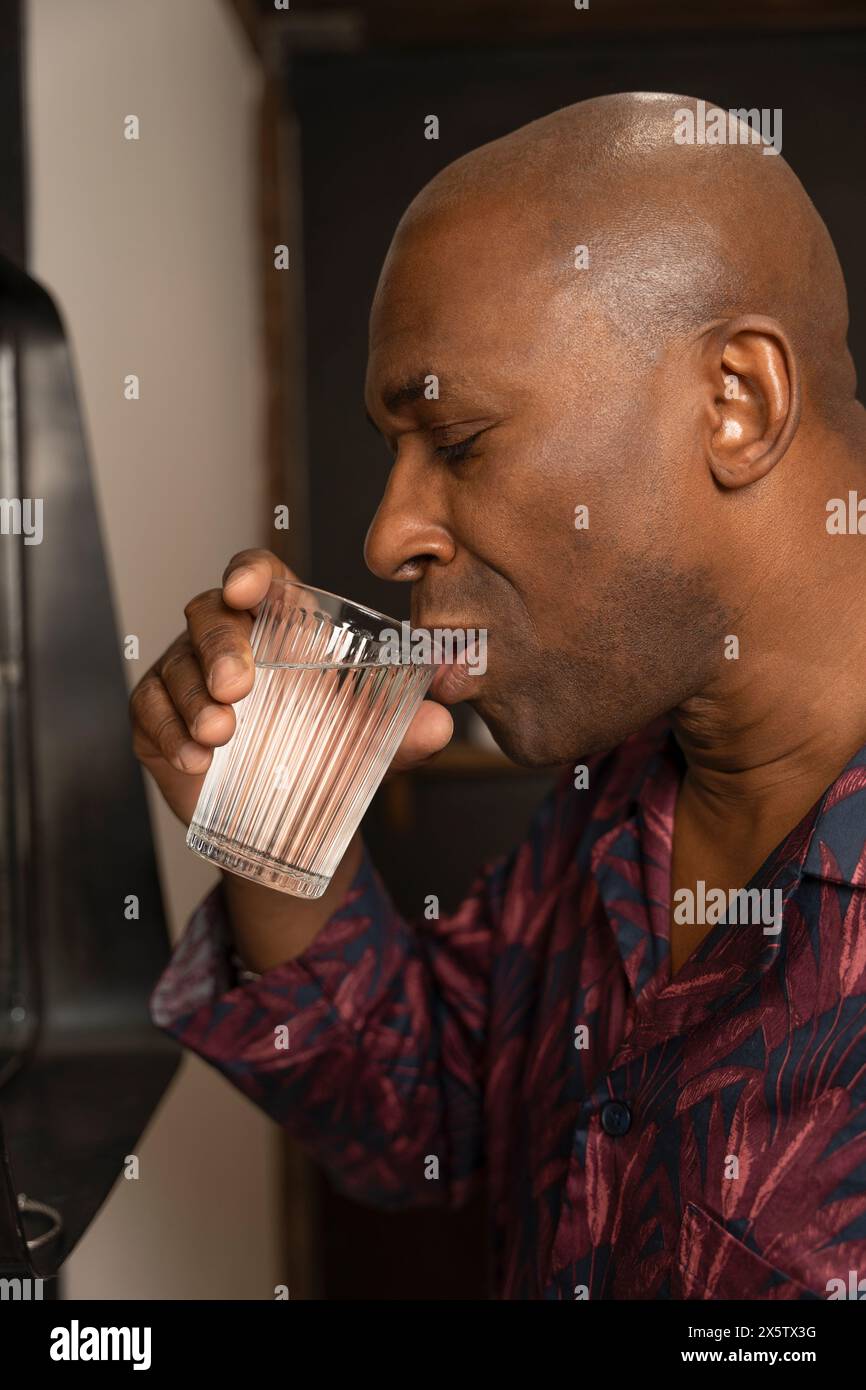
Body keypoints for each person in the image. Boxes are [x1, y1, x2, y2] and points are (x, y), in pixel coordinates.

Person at [131, 93, 866, 1300]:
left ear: (735, 400)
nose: (383, 536)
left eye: (457, 440)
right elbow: (426, 1118)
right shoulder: (629, 780)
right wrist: (273, 821)